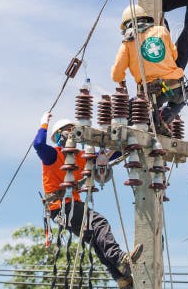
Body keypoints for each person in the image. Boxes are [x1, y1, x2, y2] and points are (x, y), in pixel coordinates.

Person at [33, 112, 142, 288]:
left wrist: (125, 144)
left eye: (74, 130)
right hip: (61, 207)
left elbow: (105, 156)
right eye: (68, 131)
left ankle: (121, 279)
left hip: (67, 208)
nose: (72, 134)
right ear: (59, 136)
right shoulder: (53, 156)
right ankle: (120, 258)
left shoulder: (79, 157)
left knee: (96, 239)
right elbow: (38, 144)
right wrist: (43, 123)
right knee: (99, 223)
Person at [111, 4, 188, 127]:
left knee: (136, 115)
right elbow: (174, 55)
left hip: (154, 92)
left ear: (127, 25)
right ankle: (163, 120)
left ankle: (155, 124)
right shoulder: (162, 31)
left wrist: (121, 81)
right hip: (176, 88)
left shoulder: (128, 43)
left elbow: (116, 74)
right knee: (181, 100)